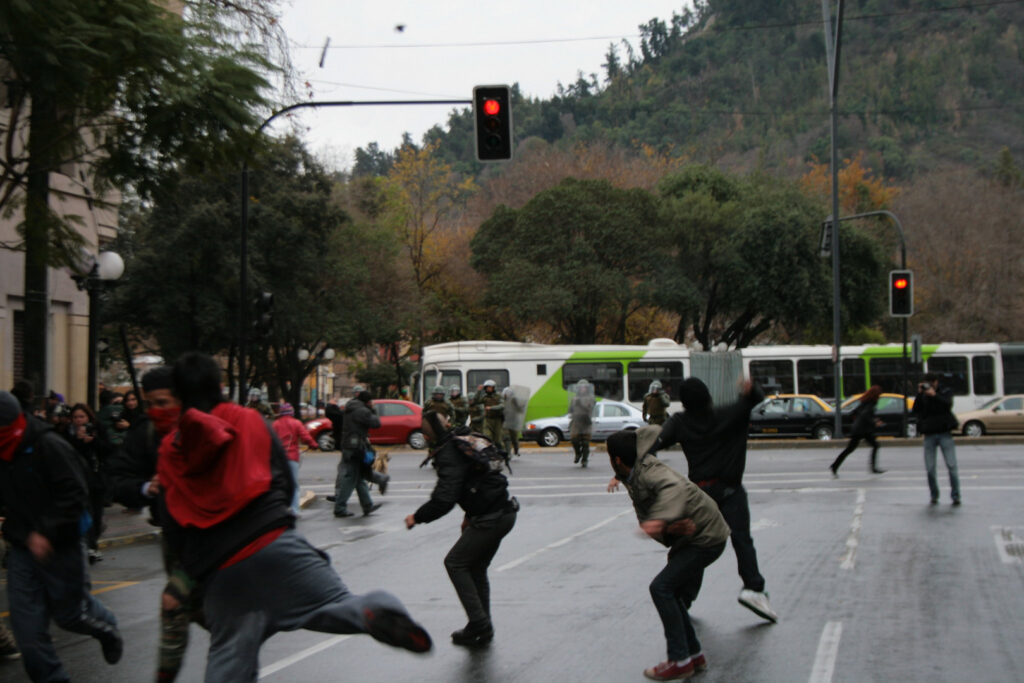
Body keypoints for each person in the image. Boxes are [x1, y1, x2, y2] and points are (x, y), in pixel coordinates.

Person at [157, 353, 432, 681]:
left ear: (179, 395)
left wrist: (188, 578)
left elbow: (172, 525)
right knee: (336, 605)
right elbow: (285, 480)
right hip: (275, 542)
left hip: (222, 569)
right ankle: (374, 613)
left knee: (228, 656)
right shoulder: (249, 420)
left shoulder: (171, 447)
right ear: (218, 386)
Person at [617, 377, 779, 623]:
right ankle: (753, 588)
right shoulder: (729, 414)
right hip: (730, 490)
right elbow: (754, 399)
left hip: (700, 494)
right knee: (742, 539)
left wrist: (625, 471)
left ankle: (684, 598)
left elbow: (653, 443)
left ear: (685, 402)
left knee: (698, 544)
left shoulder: (680, 422)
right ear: (708, 397)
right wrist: (750, 389)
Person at [0, 390, 123, 682]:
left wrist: (46, 532)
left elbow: (76, 494)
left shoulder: (48, 445)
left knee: (71, 615)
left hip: (63, 542)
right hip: (22, 546)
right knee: (28, 634)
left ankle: (107, 628)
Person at [606, 426, 729, 681]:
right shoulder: (631, 469)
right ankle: (694, 655)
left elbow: (675, 489)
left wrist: (660, 519)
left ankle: (679, 661)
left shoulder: (651, 472)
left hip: (705, 537)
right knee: (672, 592)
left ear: (617, 459)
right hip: (694, 535)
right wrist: (669, 527)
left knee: (661, 588)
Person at [106, 366, 198, 682]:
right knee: (182, 611)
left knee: (190, 608)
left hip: (217, 538)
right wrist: (148, 487)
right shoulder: (145, 434)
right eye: (150, 404)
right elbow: (117, 478)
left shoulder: (205, 427)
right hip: (175, 538)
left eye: (163, 402)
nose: (156, 411)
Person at [405, 410, 518, 647]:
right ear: (447, 424)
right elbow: (478, 479)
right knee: (475, 568)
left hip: (490, 518)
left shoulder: (450, 452)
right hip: (504, 511)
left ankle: (479, 624)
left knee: (455, 563)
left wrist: (417, 517)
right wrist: (470, 515)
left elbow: (445, 499)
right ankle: (483, 625)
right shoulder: (464, 440)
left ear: (427, 436)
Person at [63, 403, 109, 561]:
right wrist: (78, 440)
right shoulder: (68, 432)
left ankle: (93, 544)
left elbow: (108, 449)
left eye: (82, 417)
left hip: (96, 478)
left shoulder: (98, 429)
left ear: (89, 417)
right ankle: (88, 546)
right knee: (84, 512)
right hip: (77, 478)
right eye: (75, 417)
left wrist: (93, 441)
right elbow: (67, 453)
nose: (79, 420)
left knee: (96, 513)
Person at [333, 385, 384, 517]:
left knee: (359, 478)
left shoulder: (352, 406)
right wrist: (373, 409)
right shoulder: (362, 411)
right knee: (351, 478)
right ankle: (340, 507)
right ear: (367, 401)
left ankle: (367, 505)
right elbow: (376, 423)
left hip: (349, 445)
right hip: (355, 448)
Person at [913, 373, 961, 506]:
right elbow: (915, 409)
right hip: (929, 434)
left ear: (935, 382)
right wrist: (919, 394)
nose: (928, 386)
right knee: (930, 468)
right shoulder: (923, 395)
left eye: (930, 383)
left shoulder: (945, 391)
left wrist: (934, 395)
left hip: (944, 432)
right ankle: (934, 494)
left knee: (951, 466)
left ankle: (955, 495)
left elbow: (947, 405)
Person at [272, 402, 318, 515]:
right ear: (291, 412)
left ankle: (280, 508)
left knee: (280, 483)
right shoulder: (296, 423)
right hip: (292, 457)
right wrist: (313, 445)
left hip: (278, 458)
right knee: (293, 484)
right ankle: (294, 510)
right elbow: (305, 436)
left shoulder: (275, 424)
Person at [830, 385, 886, 477]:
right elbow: (865, 415)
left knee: (850, 449)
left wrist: (860, 421)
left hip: (858, 429)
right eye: (879, 394)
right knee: (875, 445)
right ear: (876, 395)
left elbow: (853, 413)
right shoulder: (871, 403)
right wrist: (874, 422)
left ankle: (835, 466)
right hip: (862, 430)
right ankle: (873, 468)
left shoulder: (864, 402)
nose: (880, 396)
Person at [569, 379, 595, 467]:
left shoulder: (590, 397)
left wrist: (580, 404)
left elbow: (590, 408)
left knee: (585, 443)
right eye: (581, 387)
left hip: (586, 421)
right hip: (576, 421)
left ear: (587, 388)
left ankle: (584, 460)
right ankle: (578, 453)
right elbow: (571, 409)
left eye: (584, 387)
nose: (582, 389)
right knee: (574, 440)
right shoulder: (574, 398)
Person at [475, 380, 504, 445]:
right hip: (488, 419)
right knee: (487, 437)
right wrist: (478, 391)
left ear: (493, 388)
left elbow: (502, 406)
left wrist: (491, 408)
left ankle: (500, 450)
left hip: (497, 420)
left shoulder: (498, 396)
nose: (488, 389)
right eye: (487, 388)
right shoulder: (485, 397)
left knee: (498, 440)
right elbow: (476, 401)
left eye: (490, 387)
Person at [501, 386, 526, 457]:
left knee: (514, 438)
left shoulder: (515, 402)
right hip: (505, 422)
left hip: (513, 422)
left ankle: (516, 450)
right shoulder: (502, 401)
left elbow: (520, 410)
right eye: (505, 394)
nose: (506, 396)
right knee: (506, 437)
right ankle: (507, 452)